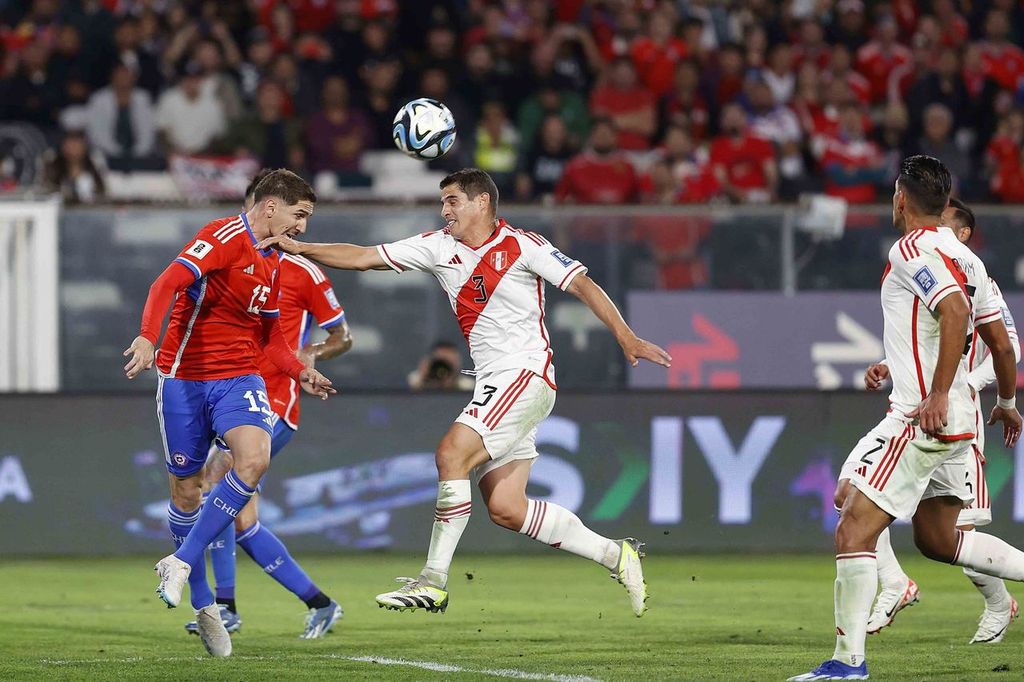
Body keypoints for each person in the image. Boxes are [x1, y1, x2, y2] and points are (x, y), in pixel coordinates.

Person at [257, 168, 671, 617]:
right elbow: (362, 256)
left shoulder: (523, 246)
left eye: (452, 201)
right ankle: (616, 555)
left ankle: (432, 582)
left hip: (525, 376)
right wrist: (300, 248)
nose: (444, 210)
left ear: (482, 203)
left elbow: (583, 285)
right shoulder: (438, 246)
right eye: (443, 202)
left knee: (451, 454)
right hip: (495, 382)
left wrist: (626, 337)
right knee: (507, 508)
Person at [790, 156, 1024, 681]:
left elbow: (955, 314)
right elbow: (1001, 344)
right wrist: (1007, 402)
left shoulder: (910, 248)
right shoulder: (967, 258)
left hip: (922, 418)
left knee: (853, 527)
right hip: (957, 417)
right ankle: (891, 595)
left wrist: (937, 392)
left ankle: (848, 663)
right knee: (938, 540)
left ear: (901, 199)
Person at [122, 168, 335, 658]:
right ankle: (205, 606)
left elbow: (272, 339)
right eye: (299, 215)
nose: (303, 226)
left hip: (239, 378)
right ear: (270, 207)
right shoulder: (221, 237)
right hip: (183, 379)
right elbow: (166, 283)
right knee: (186, 488)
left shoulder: (274, 262)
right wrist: (147, 338)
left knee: (253, 459)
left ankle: (180, 561)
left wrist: (298, 370)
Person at [181, 169, 353, 639]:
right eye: (297, 216)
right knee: (240, 516)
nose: (299, 227)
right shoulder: (235, 253)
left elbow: (343, 335)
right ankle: (319, 602)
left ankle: (226, 606)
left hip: (276, 398)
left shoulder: (303, 270)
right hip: (230, 389)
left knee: (216, 483)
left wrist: (311, 354)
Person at [851, 198, 1021, 644]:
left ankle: (990, 600)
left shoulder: (975, 274)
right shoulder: (931, 266)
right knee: (939, 540)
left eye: (946, 222)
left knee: (951, 535)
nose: (936, 228)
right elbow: (924, 338)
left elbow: (1008, 347)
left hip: (947, 409)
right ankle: (901, 585)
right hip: (936, 405)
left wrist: (967, 386)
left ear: (962, 233)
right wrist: (891, 362)